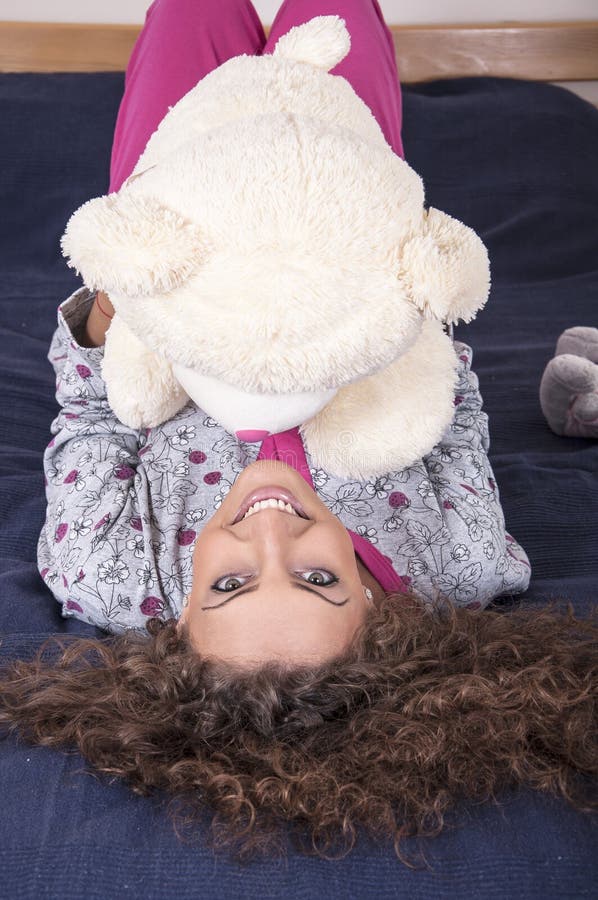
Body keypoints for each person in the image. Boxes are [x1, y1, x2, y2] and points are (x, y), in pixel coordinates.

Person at [1, 0, 595, 866]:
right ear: (384, 624)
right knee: (340, 13)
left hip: (188, 211)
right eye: (320, 577)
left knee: (192, 10)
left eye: (229, 585)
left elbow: (91, 414)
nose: (269, 528)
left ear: (175, 636)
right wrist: (401, 315)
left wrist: (110, 312)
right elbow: (456, 422)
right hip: (338, 215)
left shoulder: (108, 575)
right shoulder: (458, 563)